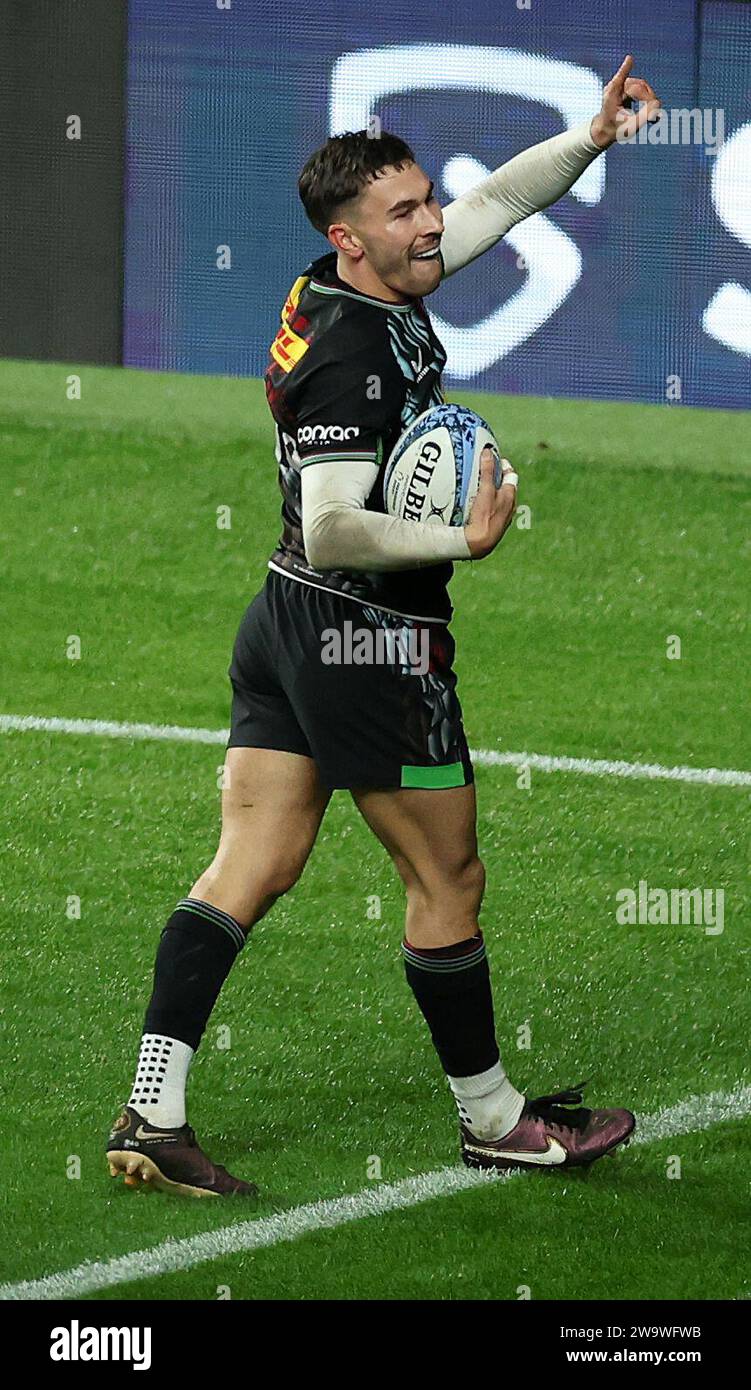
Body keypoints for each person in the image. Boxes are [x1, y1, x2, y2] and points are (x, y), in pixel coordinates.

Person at [107, 57, 661, 1196]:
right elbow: (334, 525)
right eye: (405, 211)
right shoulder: (355, 353)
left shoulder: (356, 288)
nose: (431, 222)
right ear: (350, 236)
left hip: (284, 625)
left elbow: (499, 201)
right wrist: (464, 542)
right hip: (362, 634)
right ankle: (494, 1120)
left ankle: (151, 1107)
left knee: (251, 862)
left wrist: (590, 138)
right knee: (448, 873)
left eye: (422, 202)